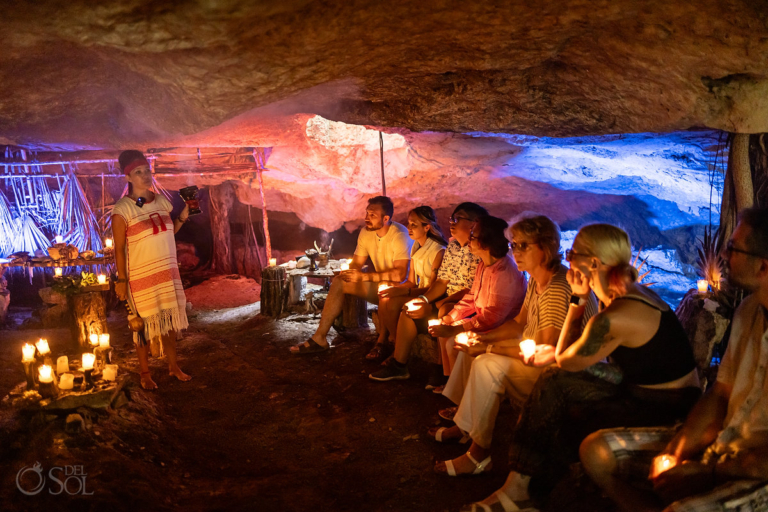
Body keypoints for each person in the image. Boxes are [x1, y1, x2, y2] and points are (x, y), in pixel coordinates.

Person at [464, 223, 700, 512]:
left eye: (573, 253)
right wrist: (558, 355)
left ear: (593, 263)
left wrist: (577, 299)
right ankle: (528, 490)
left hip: (664, 407)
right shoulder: (625, 294)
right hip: (642, 388)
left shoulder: (616, 313)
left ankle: (522, 491)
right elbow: (582, 358)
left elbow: (565, 359)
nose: (567, 257)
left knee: (556, 382)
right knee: (560, 385)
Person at [580, 208, 768, 512]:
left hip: (756, 469)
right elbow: (720, 393)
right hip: (721, 442)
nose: (723, 255)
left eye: (733, 248)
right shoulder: (748, 312)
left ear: (762, 267)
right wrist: (675, 452)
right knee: (597, 453)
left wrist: (709, 473)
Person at [430, 215, 598, 477]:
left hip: (561, 371)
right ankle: (465, 427)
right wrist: (483, 338)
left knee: (487, 363)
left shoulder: (556, 287)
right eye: (514, 245)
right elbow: (520, 323)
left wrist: (487, 349)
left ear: (546, 247)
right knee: (472, 348)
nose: (515, 251)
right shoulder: (537, 278)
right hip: (539, 352)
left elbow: (545, 349)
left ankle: (478, 454)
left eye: (523, 246)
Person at [368, 202, 486, 384]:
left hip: (465, 305)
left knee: (444, 310)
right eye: (451, 219)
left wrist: (433, 303)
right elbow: (441, 282)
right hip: (444, 298)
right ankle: (399, 365)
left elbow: (470, 291)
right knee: (409, 312)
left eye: (458, 218)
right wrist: (423, 299)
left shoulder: (479, 251)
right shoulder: (453, 247)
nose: (452, 223)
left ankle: (441, 370)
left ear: (474, 223)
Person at [112, 150, 192, 391]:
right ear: (128, 177)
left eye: (147, 170)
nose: (145, 175)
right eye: (138, 172)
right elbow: (119, 249)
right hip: (141, 277)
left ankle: (173, 365)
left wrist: (183, 216)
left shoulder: (161, 202)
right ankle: (145, 372)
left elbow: (169, 231)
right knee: (142, 327)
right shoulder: (123, 210)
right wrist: (122, 280)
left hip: (167, 273)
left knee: (168, 321)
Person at [291, 196, 412, 354]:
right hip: (379, 285)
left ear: (386, 218)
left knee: (385, 290)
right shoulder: (366, 232)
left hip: (401, 290)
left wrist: (363, 277)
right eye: (367, 213)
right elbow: (356, 264)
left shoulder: (399, 234)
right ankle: (319, 338)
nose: (366, 218)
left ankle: (385, 344)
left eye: (372, 215)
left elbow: (400, 275)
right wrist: (347, 273)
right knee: (340, 282)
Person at [428, 215, 528, 405]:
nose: (469, 239)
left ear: (485, 242)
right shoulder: (483, 265)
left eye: (473, 236)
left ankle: (467, 400)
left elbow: (493, 317)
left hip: (504, 330)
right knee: (451, 336)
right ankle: (456, 391)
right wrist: (450, 318)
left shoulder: (505, 272)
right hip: (488, 323)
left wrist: (459, 329)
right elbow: (473, 298)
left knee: (455, 342)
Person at [367, 206, 447, 363]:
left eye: (414, 225)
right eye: (409, 223)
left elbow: (433, 288)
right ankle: (395, 343)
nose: (409, 228)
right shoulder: (416, 245)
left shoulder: (439, 251)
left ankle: (397, 349)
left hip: (428, 296)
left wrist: (403, 294)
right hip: (417, 291)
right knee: (384, 297)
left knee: (392, 302)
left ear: (427, 227)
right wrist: (395, 288)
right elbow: (411, 281)